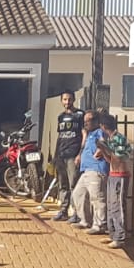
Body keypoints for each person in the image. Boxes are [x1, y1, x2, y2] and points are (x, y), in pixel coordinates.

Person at [51, 90, 86, 222]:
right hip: (61, 155)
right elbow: (60, 136)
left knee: (74, 184)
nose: (67, 102)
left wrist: (80, 154)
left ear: (74, 100)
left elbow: (84, 134)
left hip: (73, 155)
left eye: (69, 99)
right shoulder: (60, 117)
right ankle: (63, 211)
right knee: (63, 185)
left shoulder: (80, 115)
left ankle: (76, 213)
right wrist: (55, 156)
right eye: (65, 99)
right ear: (61, 101)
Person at [72, 110, 108, 234]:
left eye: (89, 120)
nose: (86, 123)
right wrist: (79, 155)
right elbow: (84, 147)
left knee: (97, 198)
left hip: (96, 169)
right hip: (86, 170)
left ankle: (99, 225)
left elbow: (104, 142)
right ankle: (85, 220)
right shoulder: (89, 134)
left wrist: (100, 150)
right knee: (78, 194)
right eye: (85, 121)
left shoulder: (100, 132)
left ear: (97, 121)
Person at [97, 113, 130, 247]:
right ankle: (113, 234)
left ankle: (120, 237)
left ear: (103, 126)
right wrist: (103, 149)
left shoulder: (118, 138)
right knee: (111, 206)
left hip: (120, 175)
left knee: (118, 206)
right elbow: (110, 159)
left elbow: (119, 157)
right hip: (113, 174)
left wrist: (105, 148)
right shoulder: (110, 139)